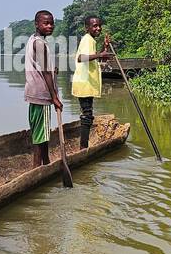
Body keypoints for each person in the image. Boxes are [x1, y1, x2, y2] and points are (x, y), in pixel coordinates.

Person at [24, 10, 62, 168]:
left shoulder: (33, 40)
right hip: (43, 95)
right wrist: (54, 97)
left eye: (52, 23)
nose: (50, 26)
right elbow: (45, 72)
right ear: (36, 24)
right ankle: (36, 169)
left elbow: (44, 68)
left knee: (41, 134)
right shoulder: (40, 43)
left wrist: (53, 71)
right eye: (45, 23)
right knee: (41, 136)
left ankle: (46, 163)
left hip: (33, 93)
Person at [70, 15, 112, 148]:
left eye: (99, 25)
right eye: (94, 26)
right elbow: (81, 58)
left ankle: (84, 146)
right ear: (87, 28)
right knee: (87, 116)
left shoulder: (91, 40)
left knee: (87, 115)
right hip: (84, 84)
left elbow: (94, 59)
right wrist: (100, 55)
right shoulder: (87, 39)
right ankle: (83, 147)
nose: (98, 28)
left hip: (86, 83)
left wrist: (104, 48)